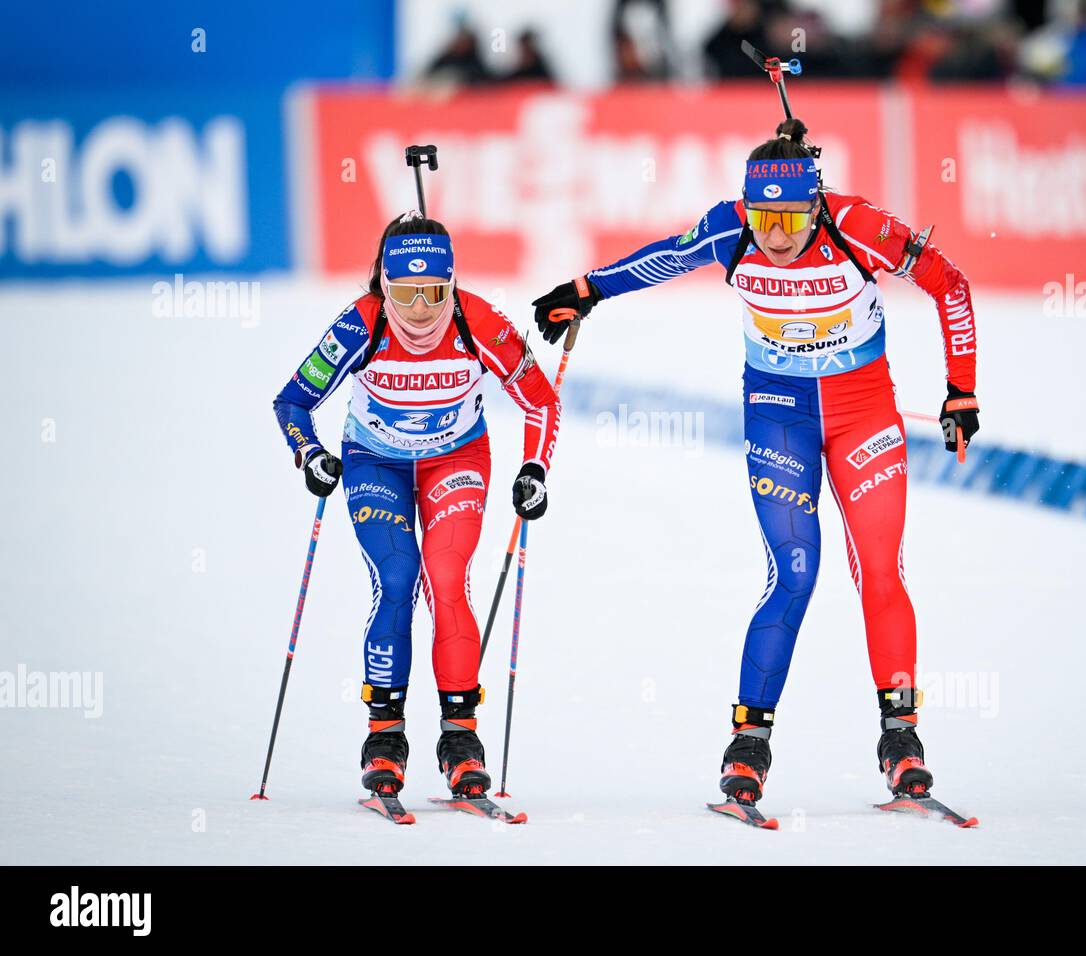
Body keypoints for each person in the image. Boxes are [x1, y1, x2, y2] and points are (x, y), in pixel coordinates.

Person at [530, 119, 979, 807]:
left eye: (790, 217)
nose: (774, 234)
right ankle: (749, 745)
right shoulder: (730, 227)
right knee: (794, 572)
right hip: (778, 412)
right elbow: (662, 257)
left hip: (863, 412)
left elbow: (949, 284)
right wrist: (585, 290)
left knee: (880, 568)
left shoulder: (859, 225)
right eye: (763, 216)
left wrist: (962, 389)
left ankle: (901, 738)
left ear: (816, 205)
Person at [273, 212, 560, 803]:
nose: (422, 308)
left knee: (447, 576)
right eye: (405, 292)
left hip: (455, 461)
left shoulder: (479, 321)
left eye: (435, 291)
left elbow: (540, 401)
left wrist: (534, 468)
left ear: (452, 283)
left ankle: (460, 741)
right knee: (397, 577)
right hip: (374, 464)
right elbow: (293, 401)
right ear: (383, 285)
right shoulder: (360, 325)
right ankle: (384, 737)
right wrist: (311, 455)